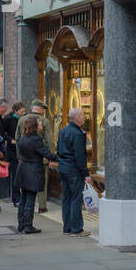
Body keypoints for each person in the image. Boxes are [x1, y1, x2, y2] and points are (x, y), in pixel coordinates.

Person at [15, 114, 57, 234]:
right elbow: (46, 154)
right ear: (35, 125)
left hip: (23, 169)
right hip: (33, 171)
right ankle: (28, 226)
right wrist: (61, 157)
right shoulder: (36, 139)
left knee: (23, 198)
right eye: (38, 123)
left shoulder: (23, 137)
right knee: (30, 199)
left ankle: (21, 224)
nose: (40, 124)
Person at [57, 107, 91, 235]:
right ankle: (76, 229)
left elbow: (59, 150)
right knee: (76, 198)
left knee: (67, 197)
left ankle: (67, 227)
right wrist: (86, 174)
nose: (84, 117)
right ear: (77, 118)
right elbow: (80, 156)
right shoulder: (78, 134)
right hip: (74, 170)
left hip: (63, 168)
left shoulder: (63, 131)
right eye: (82, 115)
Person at [31, 100, 53, 213]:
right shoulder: (44, 121)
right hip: (41, 156)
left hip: (27, 157)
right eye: (43, 109)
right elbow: (49, 140)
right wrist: (51, 156)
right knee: (42, 181)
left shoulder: (23, 119)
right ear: (40, 109)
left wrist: (19, 155)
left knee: (28, 180)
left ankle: (29, 204)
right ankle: (42, 206)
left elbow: (18, 137)